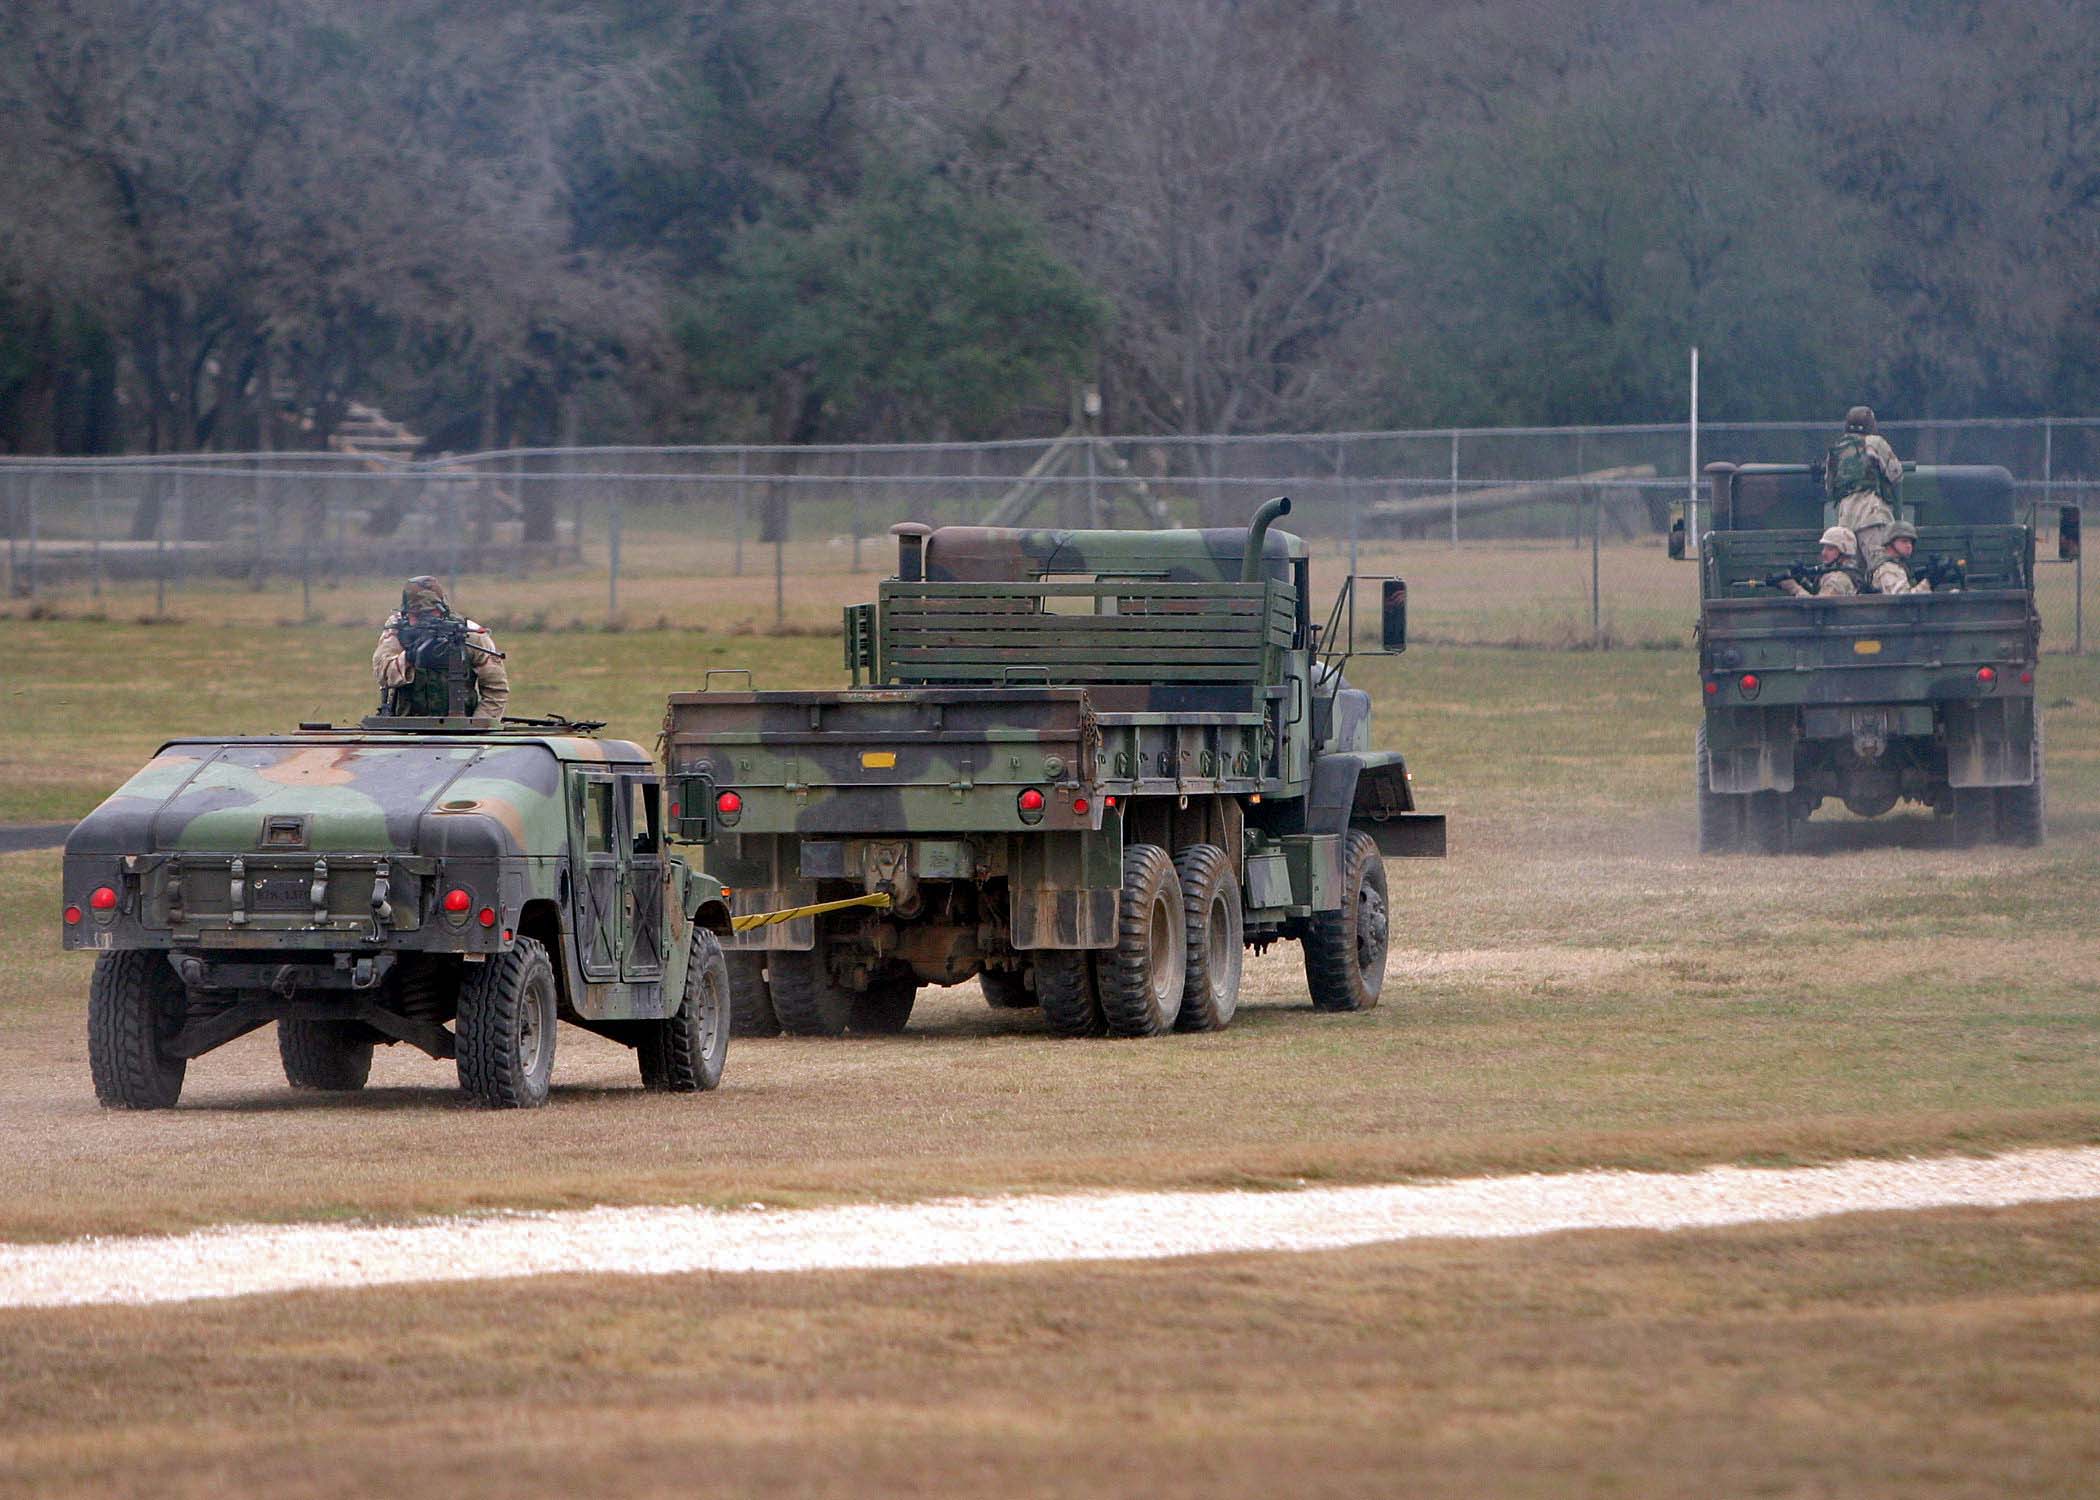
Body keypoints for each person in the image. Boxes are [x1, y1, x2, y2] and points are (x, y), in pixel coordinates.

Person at [372, 576, 509, 717]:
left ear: (443, 610)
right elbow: (382, 674)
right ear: (406, 614)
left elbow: (496, 690)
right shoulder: (396, 632)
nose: (425, 620)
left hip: (461, 726)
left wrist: (477, 724)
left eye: (430, 613)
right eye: (417, 615)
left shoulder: (470, 634)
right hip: (406, 725)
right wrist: (409, 657)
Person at [1827, 405, 1904, 568]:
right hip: (1872, 513)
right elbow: (1895, 474)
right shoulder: (1875, 442)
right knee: (1880, 565)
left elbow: (1830, 487)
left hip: (1845, 519)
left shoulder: (1837, 448)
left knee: (1851, 571)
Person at [1779, 526, 1864, 597]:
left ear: (1843, 552)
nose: (1823, 553)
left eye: (1830, 549)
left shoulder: (1837, 579)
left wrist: (1794, 588)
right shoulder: (1845, 573)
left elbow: (1819, 607)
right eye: (1824, 548)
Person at [1868, 519, 1931, 595]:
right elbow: (1901, 599)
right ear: (1890, 543)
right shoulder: (1887, 569)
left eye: (1911, 542)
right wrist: (1928, 583)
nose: (1909, 546)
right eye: (1904, 541)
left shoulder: (1900, 566)